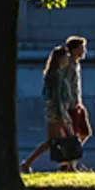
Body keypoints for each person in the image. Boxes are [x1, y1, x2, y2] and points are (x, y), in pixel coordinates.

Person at [20, 45, 78, 173]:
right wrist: (62, 114)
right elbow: (57, 97)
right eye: (66, 57)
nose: (68, 59)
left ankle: (27, 164)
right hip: (58, 112)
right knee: (70, 139)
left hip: (56, 111)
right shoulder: (56, 75)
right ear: (60, 58)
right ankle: (71, 167)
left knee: (54, 141)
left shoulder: (55, 73)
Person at [61, 35, 92, 146]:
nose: (84, 51)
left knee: (85, 132)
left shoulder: (75, 64)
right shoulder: (68, 64)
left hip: (77, 103)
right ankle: (69, 161)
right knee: (72, 135)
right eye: (82, 48)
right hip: (70, 105)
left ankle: (71, 158)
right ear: (75, 49)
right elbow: (67, 85)